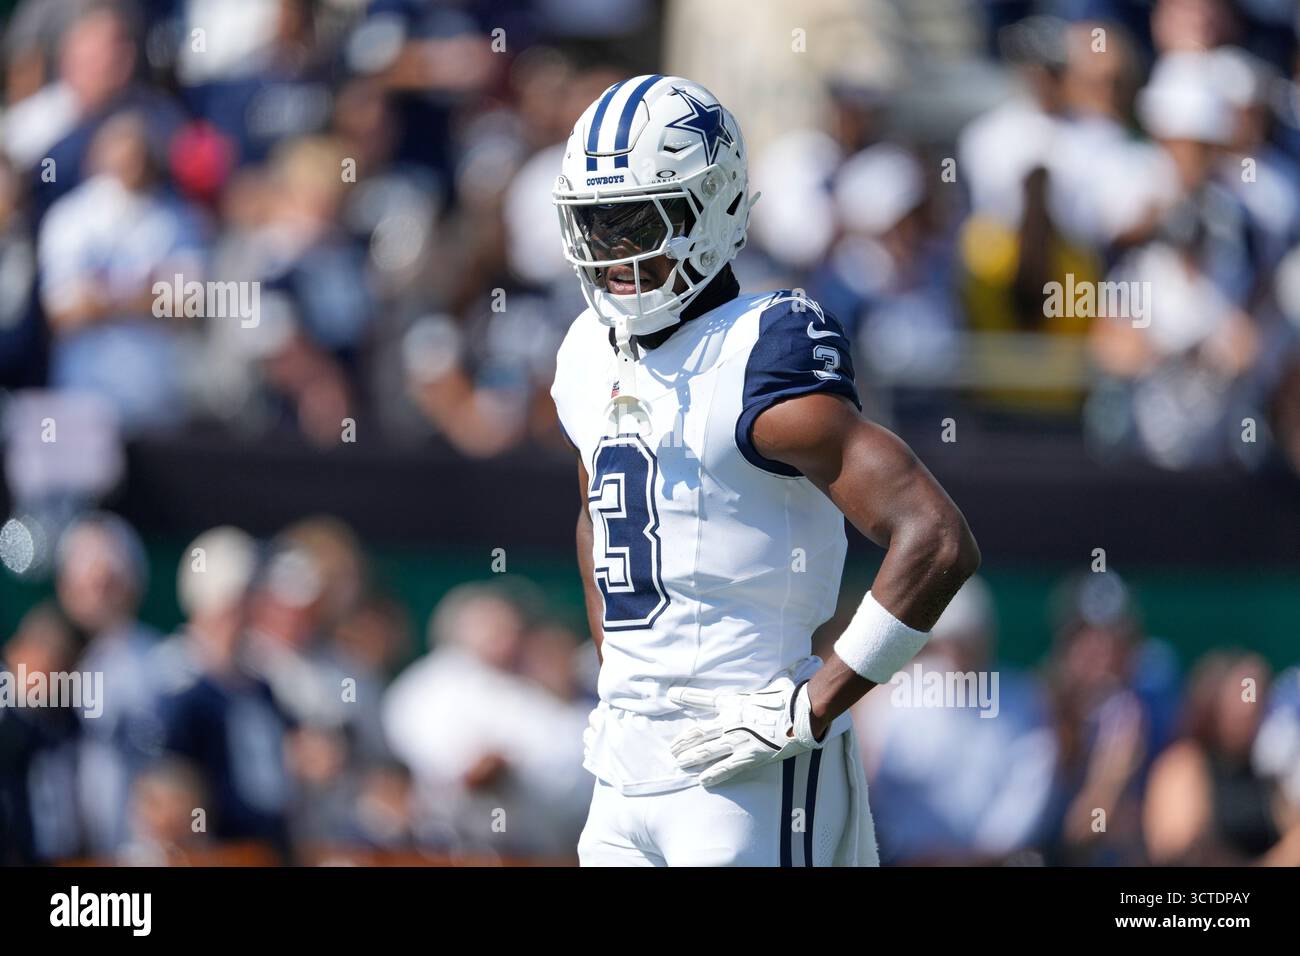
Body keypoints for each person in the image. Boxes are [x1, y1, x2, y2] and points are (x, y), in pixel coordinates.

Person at [550, 76, 980, 866]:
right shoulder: (584, 351)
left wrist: (814, 707)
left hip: (750, 768)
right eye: (595, 226)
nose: (614, 253)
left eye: (635, 222)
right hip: (622, 769)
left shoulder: (762, 348)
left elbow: (937, 538)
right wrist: (623, 672)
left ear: (709, 207)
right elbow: (598, 515)